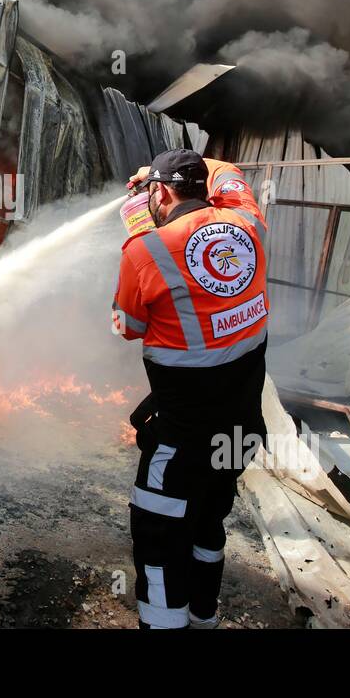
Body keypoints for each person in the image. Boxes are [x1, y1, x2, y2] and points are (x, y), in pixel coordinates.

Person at [112, 148, 269, 629]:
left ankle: (165, 623)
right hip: (239, 429)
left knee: (160, 537)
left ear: (160, 193)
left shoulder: (145, 251)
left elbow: (128, 325)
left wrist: (142, 229)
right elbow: (230, 173)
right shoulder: (249, 223)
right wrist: (174, 170)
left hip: (182, 440)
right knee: (207, 524)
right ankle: (203, 618)